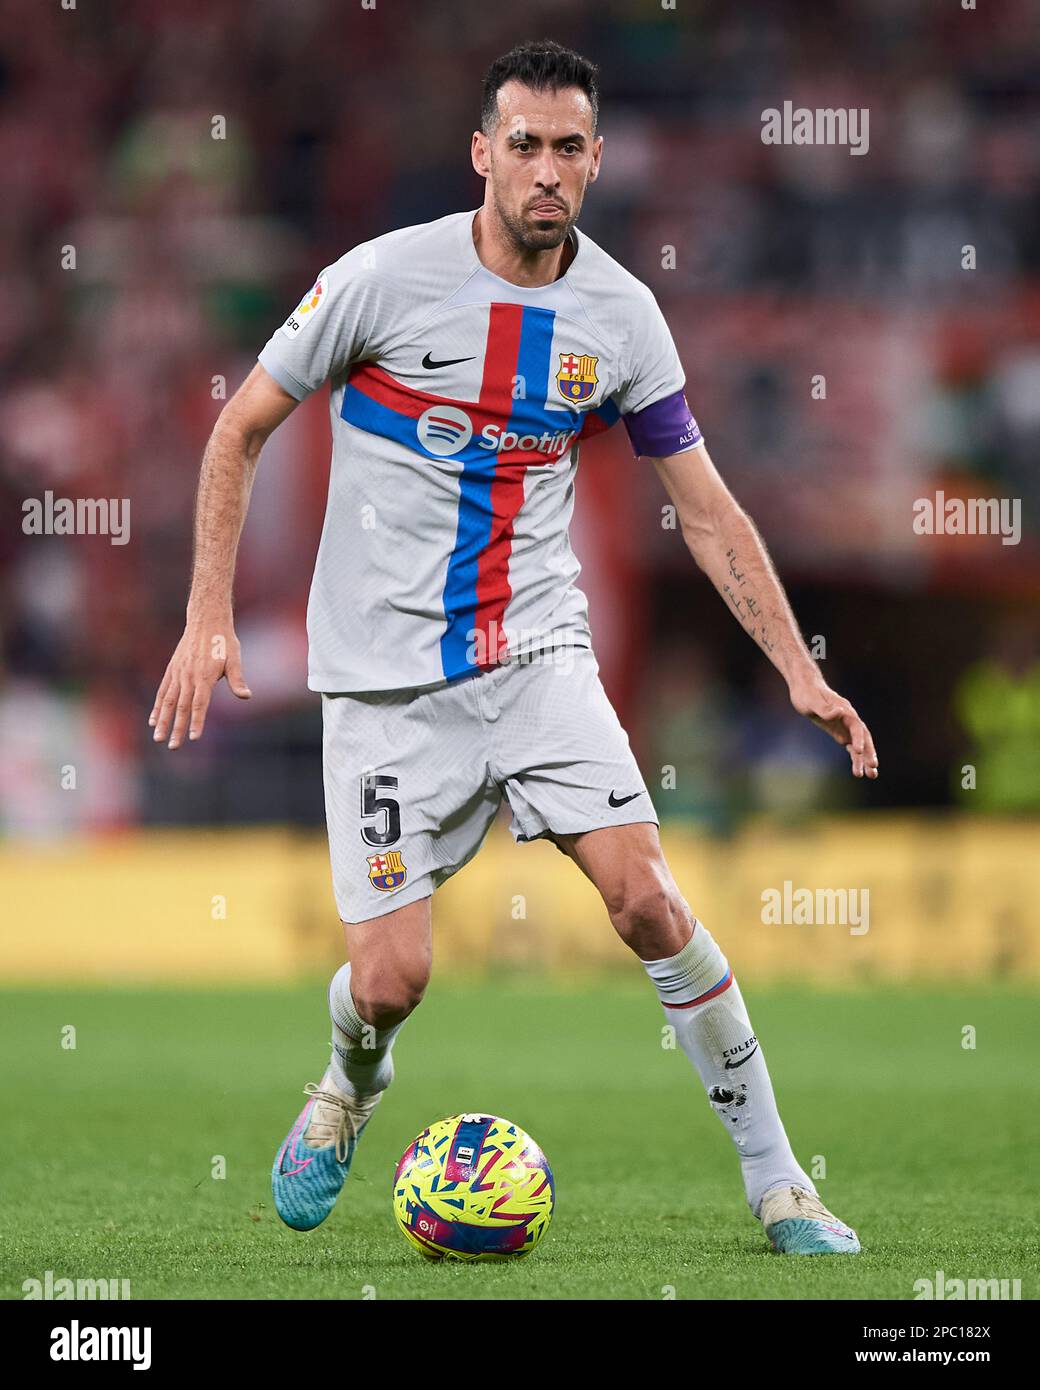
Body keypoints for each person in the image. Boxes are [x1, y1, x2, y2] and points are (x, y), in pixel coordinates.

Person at [149, 39, 878, 1256]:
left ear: (595, 163)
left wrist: (796, 667)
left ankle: (780, 1185)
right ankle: (349, 1080)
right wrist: (205, 611)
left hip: (538, 654)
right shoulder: (379, 280)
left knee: (646, 897)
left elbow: (701, 504)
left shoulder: (622, 317)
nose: (545, 169)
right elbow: (239, 431)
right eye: (524, 144)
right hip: (383, 684)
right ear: (482, 153)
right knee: (389, 982)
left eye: (568, 148)